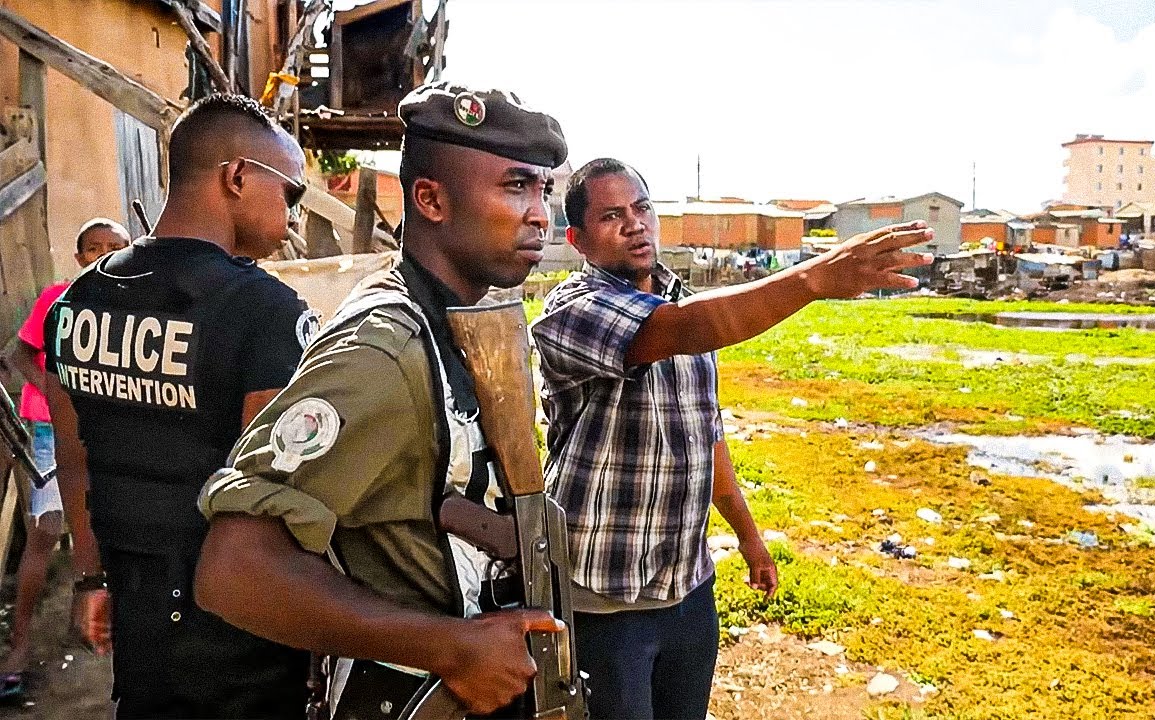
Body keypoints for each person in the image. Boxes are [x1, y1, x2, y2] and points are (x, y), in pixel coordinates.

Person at [193, 82, 569, 717]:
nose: (540, 214)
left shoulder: (457, 319)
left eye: (544, 191)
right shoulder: (381, 350)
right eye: (515, 187)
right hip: (413, 693)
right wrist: (451, 648)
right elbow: (234, 568)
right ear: (429, 199)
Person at [530, 157, 934, 720]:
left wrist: (748, 536)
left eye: (642, 208)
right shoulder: (573, 313)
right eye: (611, 216)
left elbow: (707, 434)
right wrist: (815, 277)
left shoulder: (679, 300)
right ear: (577, 239)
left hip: (687, 587)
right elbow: (683, 330)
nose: (635, 225)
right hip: (604, 595)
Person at [42, 94, 315, 719]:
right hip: (240, 630)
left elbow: (74, 457)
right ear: (238, 177)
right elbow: (275, 495)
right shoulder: (267, 313)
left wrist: (92, 578)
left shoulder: (77, 302)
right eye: (290, 193)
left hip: (136, 613)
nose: (291, 215)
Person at [0, 218, 129, 700]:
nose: (102, 255)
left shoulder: (130, 305)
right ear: (78, 258)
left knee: (97, 530)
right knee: (46, 532)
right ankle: (18, 646)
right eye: (93, 248)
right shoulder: (57, 298)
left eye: (114, 247)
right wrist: (56, 392)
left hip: (107, 431)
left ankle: (92, 631)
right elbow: (16, 355)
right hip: (52, 430)